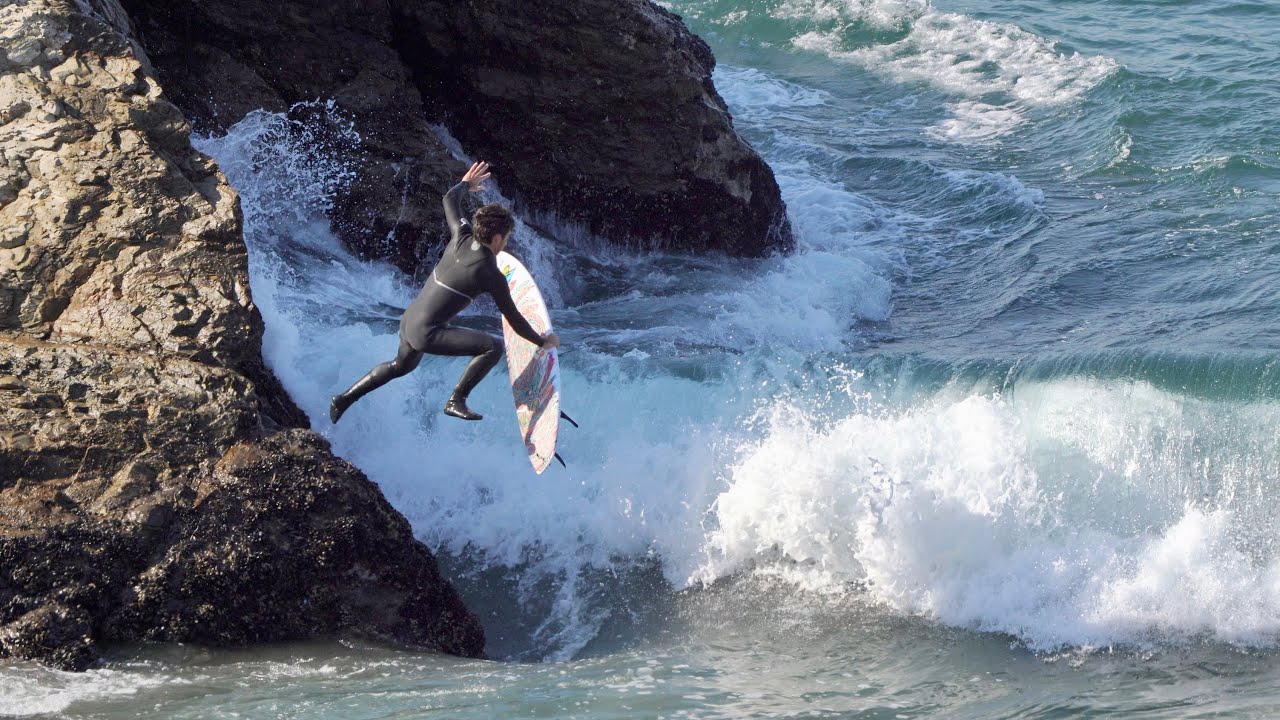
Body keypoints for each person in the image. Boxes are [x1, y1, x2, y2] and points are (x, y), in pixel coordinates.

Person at [330, 160, 559, 423]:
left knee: (398, 366)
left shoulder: (460, 235)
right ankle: (456, 399)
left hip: (409, 321)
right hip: (428, 333)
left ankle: (343, 399)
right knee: (492, 348)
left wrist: (466, 184)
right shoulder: (489, 272)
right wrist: (543, 341)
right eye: (505, 238)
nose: (505, 243)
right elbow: (514, 319)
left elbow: (450, 199)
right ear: (497, 238)